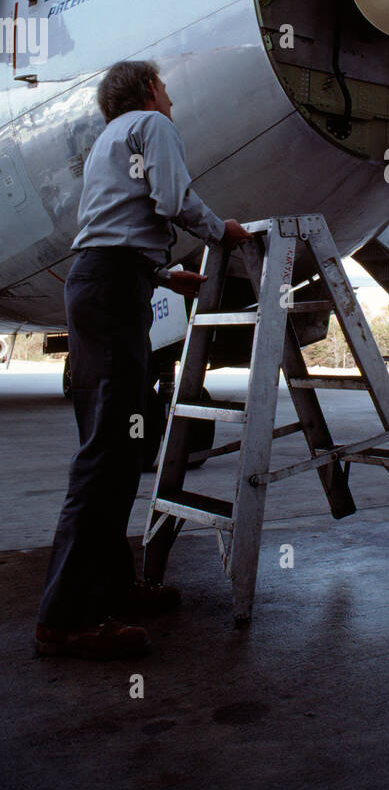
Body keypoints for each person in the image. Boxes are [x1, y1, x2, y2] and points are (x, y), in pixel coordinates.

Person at [35, 59, 253, 660]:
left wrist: (158, 272)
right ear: (149, 90)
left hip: (99, 286)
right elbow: (173, 198)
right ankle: (68, 616)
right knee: (109, 453)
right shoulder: (153, 126)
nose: (170, 94)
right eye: (164, 85)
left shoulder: (107, 139)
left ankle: (112, 585)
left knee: (119, 444)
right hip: (112, 291)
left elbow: (110, 223)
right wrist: (221, 232)